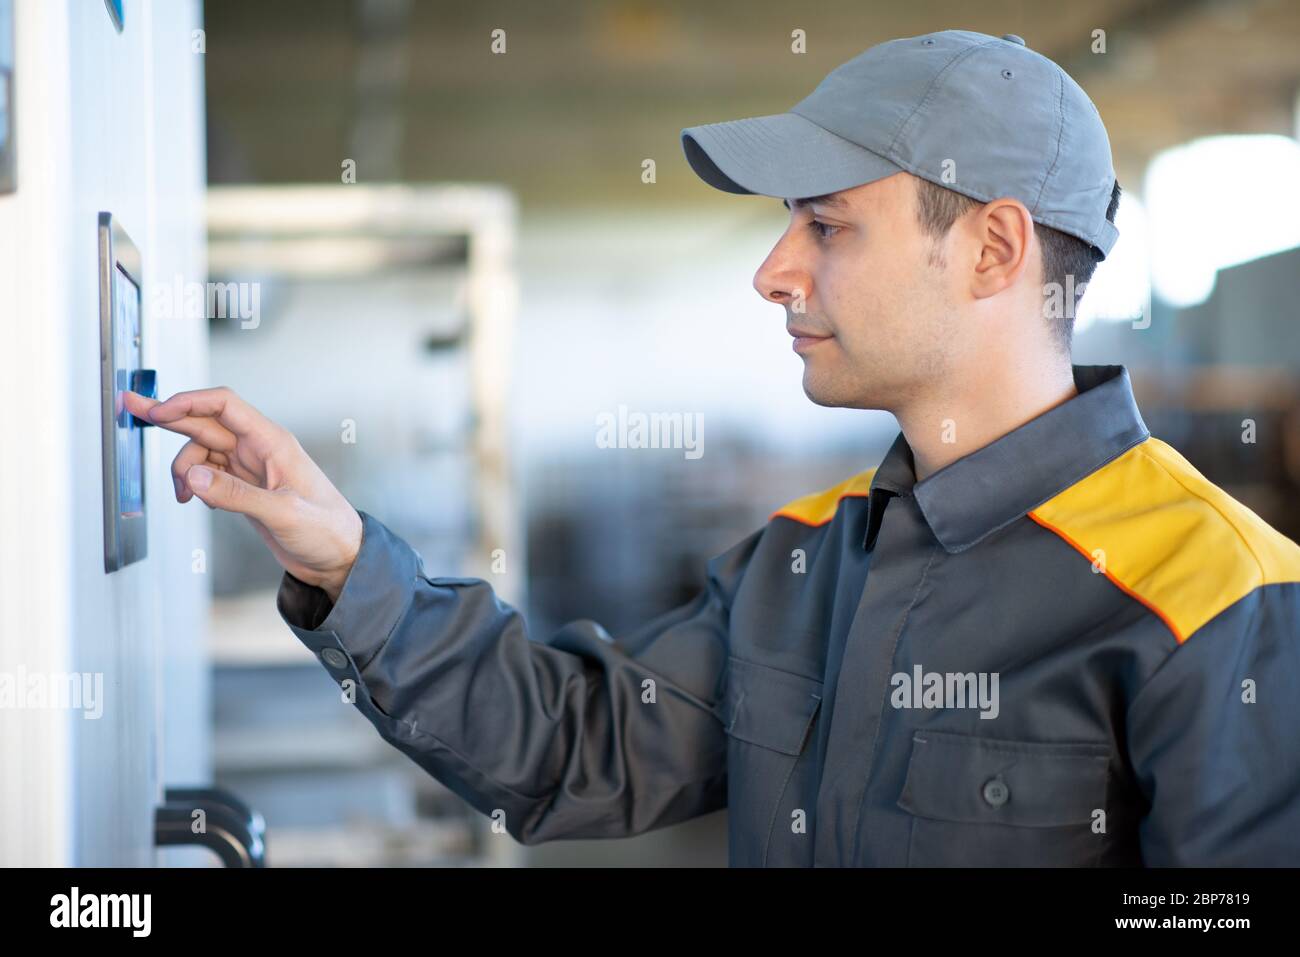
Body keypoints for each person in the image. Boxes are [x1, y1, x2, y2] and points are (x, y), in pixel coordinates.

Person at [124, 30, 1300, 867]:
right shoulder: (805, 560)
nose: (772, 270)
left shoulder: (1222, 599)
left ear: (991, 251)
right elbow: (574, 746)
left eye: (826, 224)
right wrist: (342, 560)